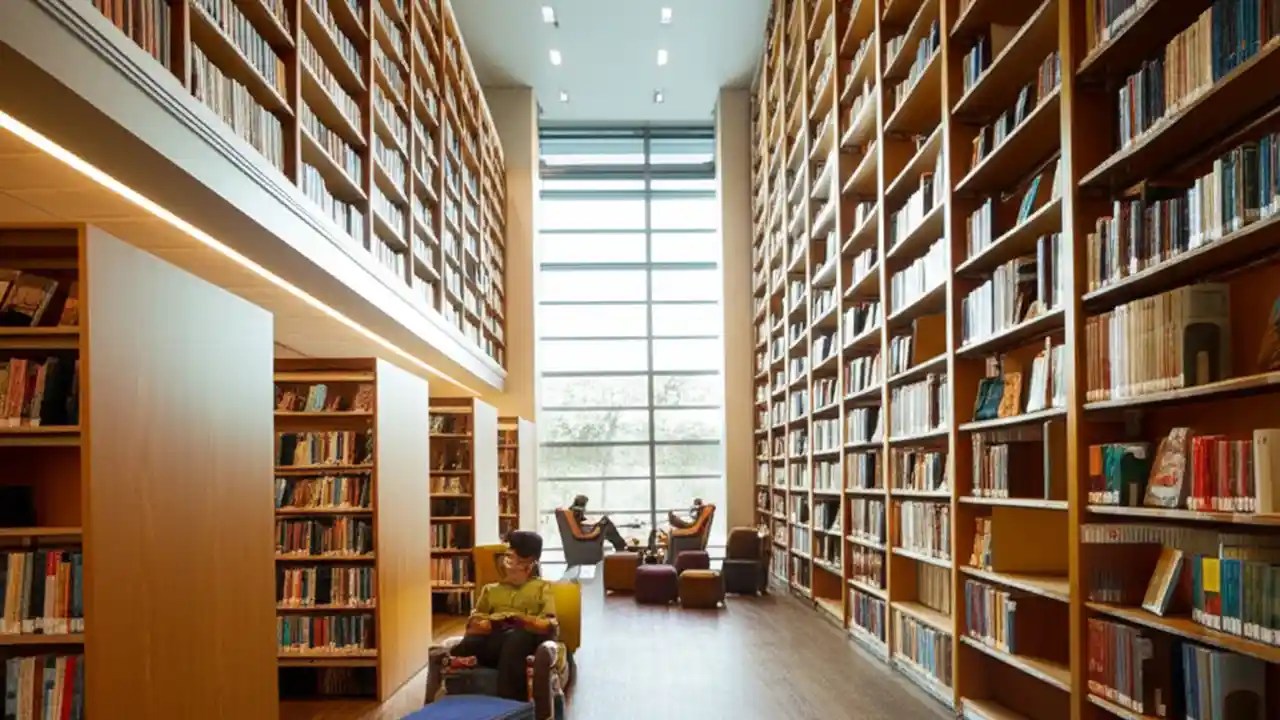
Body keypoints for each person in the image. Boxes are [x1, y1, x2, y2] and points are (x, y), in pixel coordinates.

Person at [447, 530, 557, 701]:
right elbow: (473, 626)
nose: (513, 565)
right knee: (472, 642)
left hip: (525, 639)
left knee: (517, 638)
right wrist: (497, 623)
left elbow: (549, 625)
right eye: (510, 558)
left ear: (530, 565)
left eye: (520, 561)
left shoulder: (542, 588)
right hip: (494, 639)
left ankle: (510, 704)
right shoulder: (491, 589)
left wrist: (522, 620)